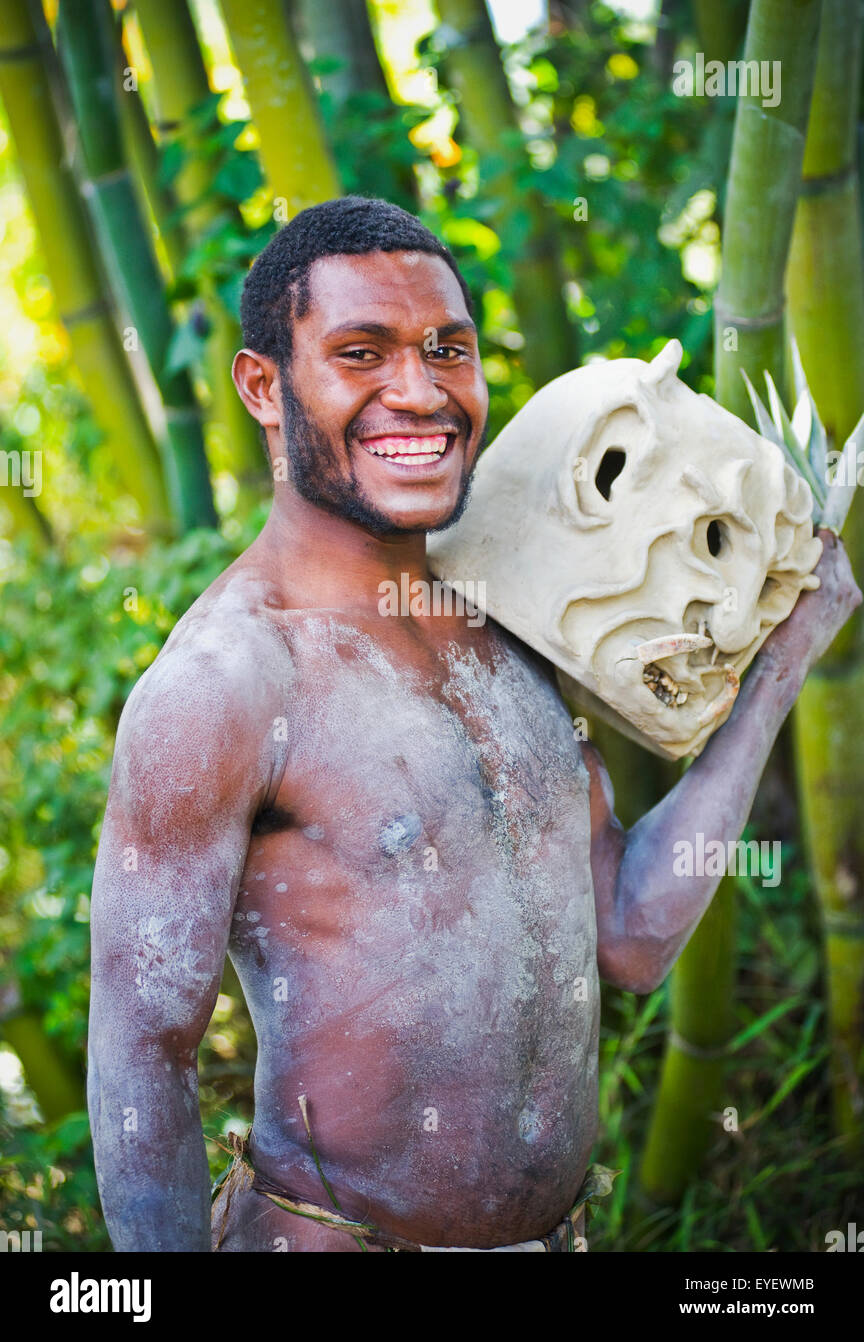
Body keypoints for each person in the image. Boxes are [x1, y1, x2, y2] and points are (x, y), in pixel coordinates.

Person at [88, 196, 861, 1252]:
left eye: (447, 348)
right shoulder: (230, 682)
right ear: (263, 386)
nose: (419, 390)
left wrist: (780, 664)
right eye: (362, 352)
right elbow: (144, 1056)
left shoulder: (512, 621)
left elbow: (628, 936)